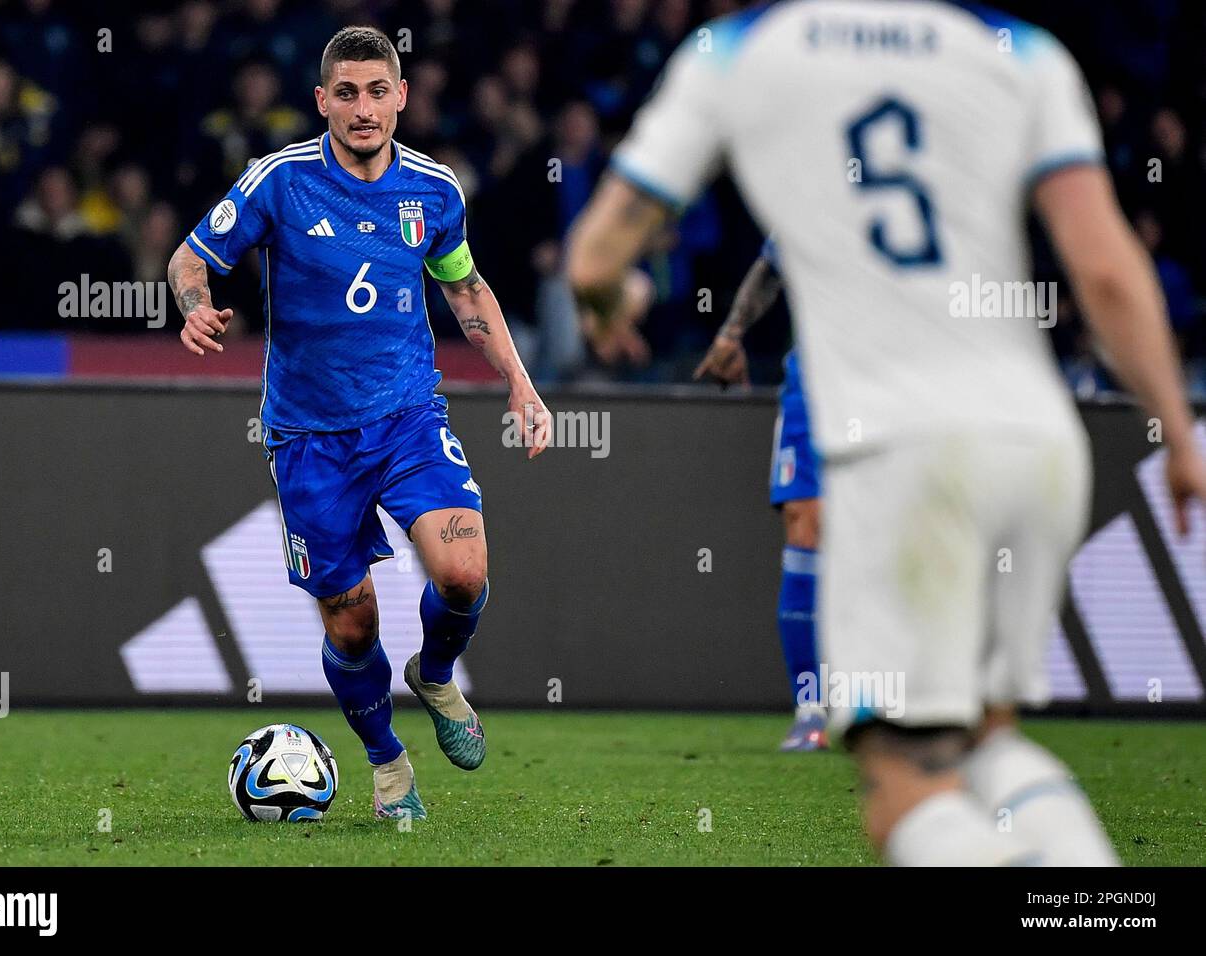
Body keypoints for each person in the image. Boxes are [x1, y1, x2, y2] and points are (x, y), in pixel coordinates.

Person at [567, 0, 1206, 865]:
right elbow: (1104, 264)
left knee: (904, 787)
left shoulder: (741, 50)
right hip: (1038, 439)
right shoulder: (1024, 50)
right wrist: (1174, 422)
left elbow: (596, 258)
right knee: (985, 742)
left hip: (905, 450)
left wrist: (614, 305)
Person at [168, 26, 550, 821]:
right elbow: (189, 256)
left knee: (465, 572)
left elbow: (467, 291)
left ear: (402, 97)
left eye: (378, 91)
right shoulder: (279, 181)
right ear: (322, 101)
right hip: (310, 437)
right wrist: (198, 308)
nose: (363, 108)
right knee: (352, 623)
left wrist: (521, 384)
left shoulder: (434, 192)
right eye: (347, 92)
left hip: (408, 416)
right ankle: (388, 766)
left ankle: (436, 674)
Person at [694, 237, 826, 751]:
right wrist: (731, 332)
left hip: (894, 377)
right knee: (804, 522)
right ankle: (811, 710)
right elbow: (772, 264)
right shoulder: (812, 183)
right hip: (815, 380)